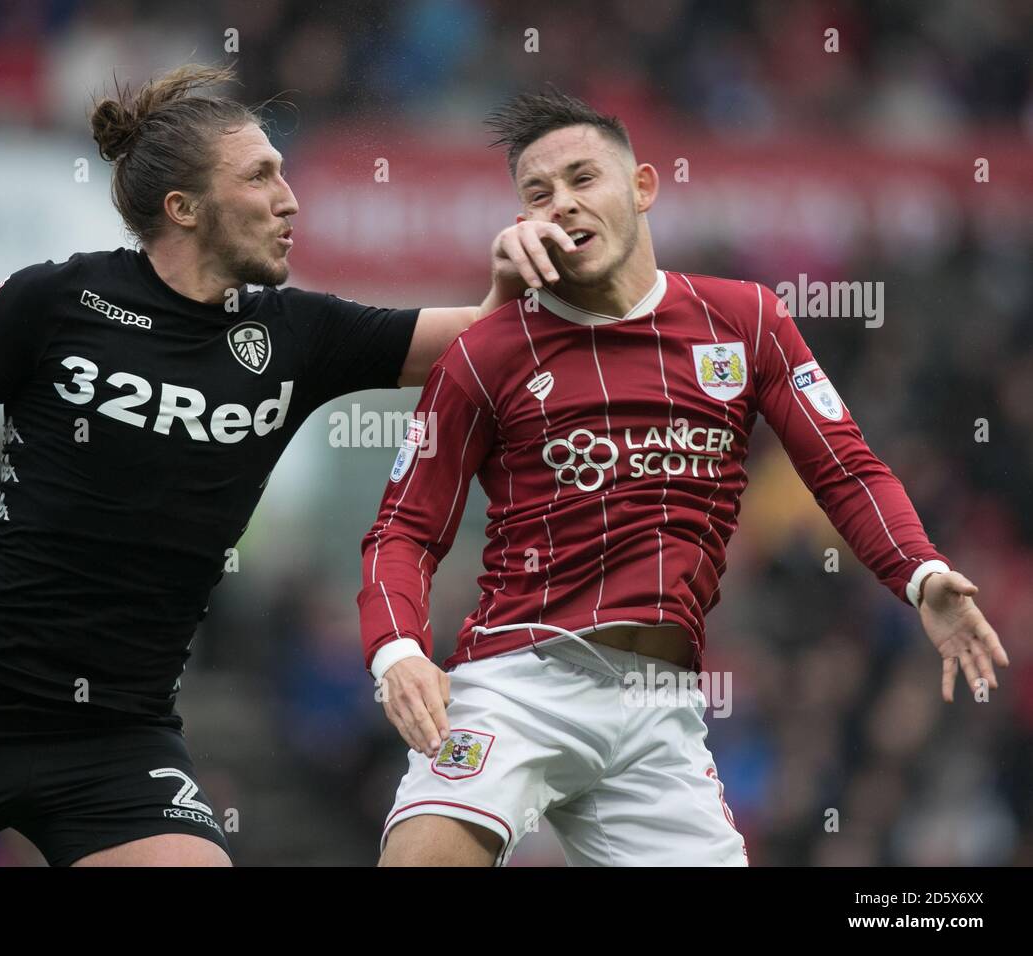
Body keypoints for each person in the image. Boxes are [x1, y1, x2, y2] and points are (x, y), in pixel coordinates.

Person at [0, 63, 557, 867]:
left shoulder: (300, 336)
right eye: (262, 176)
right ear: (184, 207)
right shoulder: (52, 301)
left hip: (119, 735)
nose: (289, 197)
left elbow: (481, 344)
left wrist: (508, 280)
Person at [358, 88, 1010, 867]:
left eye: (582, 179)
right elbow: (402, 529)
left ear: (642, 188)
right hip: (516, 683)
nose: (562, 204)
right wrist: (397, 651)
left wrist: (922, 571)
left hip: (658, 709)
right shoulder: (486, 352)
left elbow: (845, 469)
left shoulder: (746, 320)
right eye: (539, 193)